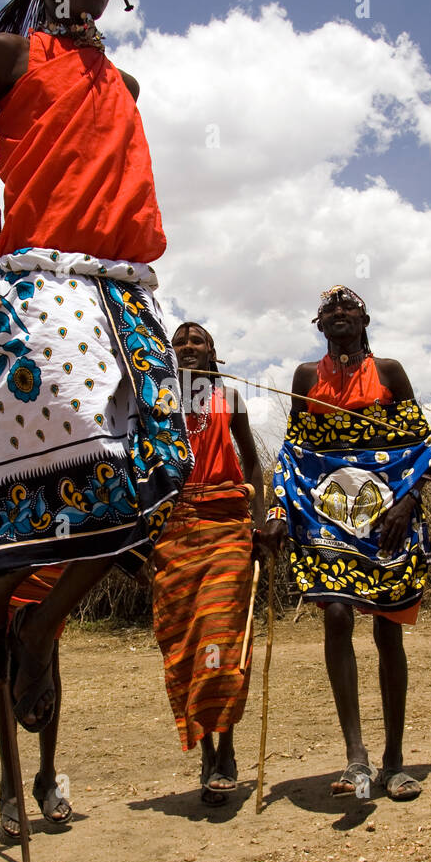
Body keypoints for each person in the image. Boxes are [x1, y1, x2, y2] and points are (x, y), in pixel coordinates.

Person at [0, 0, 191, 733]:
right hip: (43, 283)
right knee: (77, 448)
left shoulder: (125, 85)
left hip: (128, 292)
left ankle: (39, 623)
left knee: (161, 472)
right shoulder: (9, 55)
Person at [262, 287, 431, 801]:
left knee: (388, 629)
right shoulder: (305, 377)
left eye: (349, 308)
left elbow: (422, 445)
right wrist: (277, 511)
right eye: (330, 310)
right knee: (336, 614)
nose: (340, 313)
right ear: (319, 325)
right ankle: (356, 756)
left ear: (365, 319)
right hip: (328, 511)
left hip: (388, 513)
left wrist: (407, 503)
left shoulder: (389, 373)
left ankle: (395, 761)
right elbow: (295, 453)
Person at [151, 324, 264, 805]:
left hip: (226, 525)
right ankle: (206, 751)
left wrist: (261, 522)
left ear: (212, 351)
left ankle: (228, 747)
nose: (188, 347)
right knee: (188, 642)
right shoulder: (157, 402)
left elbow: (253, 464)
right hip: (174, 531)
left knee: (223, 634)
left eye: (197, 340)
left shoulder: (230, 399)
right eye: (180, 342)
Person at [0, 393, 71, 835]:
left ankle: (46, 777)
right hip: (1, 541)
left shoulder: (57, 395)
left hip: (53, 538)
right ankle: (10, 786)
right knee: (1, 664)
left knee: (45, 656)